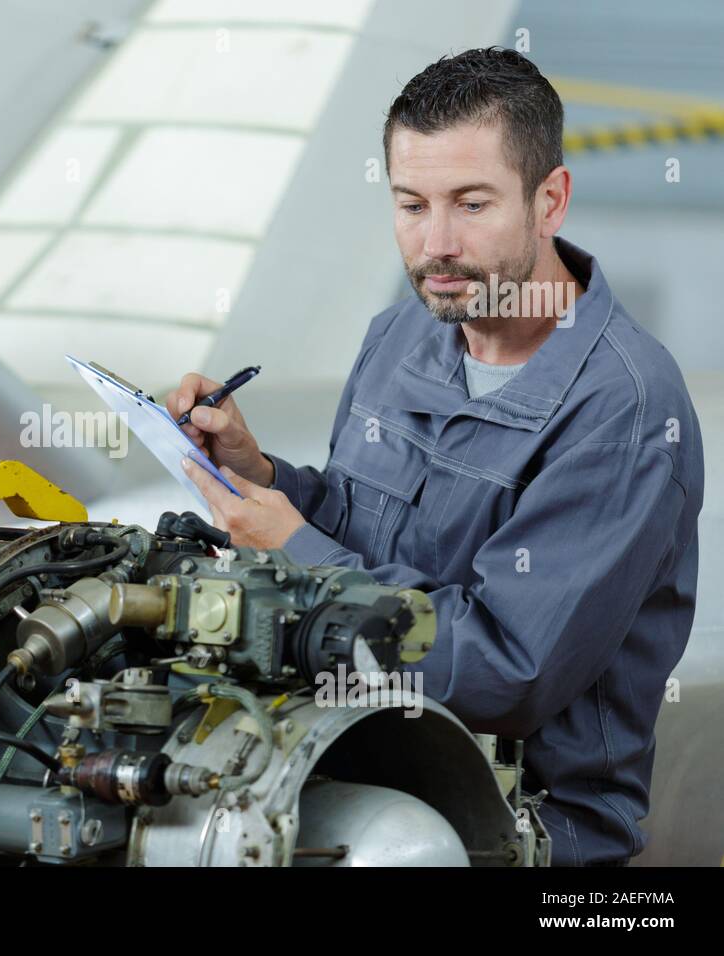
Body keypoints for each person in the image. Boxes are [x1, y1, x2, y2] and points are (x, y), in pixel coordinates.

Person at [168, 49, 703, 867]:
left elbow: (505, 674)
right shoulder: (402, 334)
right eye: (412, 204)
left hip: (516, 824)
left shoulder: (623, 410)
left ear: (549, 199)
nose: (436, 244)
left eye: (471, 204)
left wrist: (296, 552)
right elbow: (360, 521)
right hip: (345, 750)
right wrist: (264, 476)